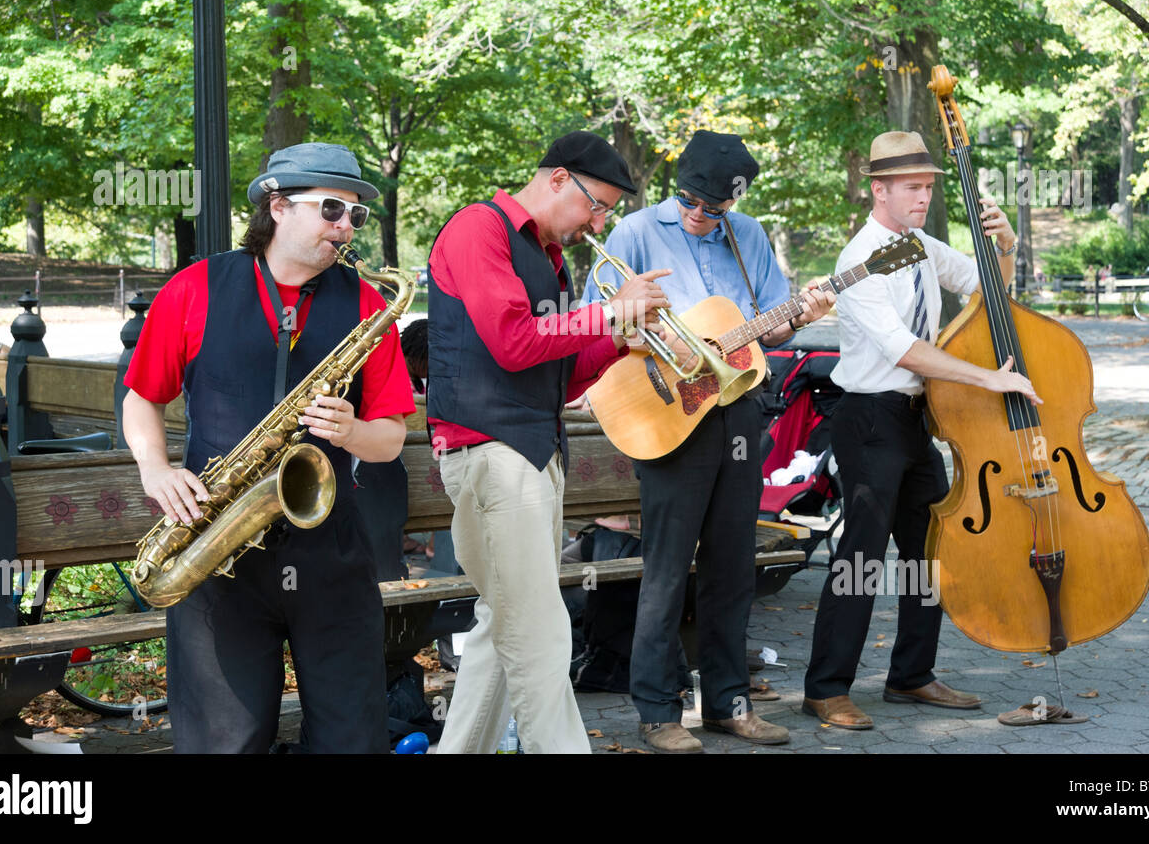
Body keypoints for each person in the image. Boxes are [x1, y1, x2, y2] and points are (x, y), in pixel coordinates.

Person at [122, 142, 416, 753]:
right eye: (332, 209)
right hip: (216, 548)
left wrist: (351, 431)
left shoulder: (369, 304)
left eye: (356, 215)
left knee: (351, 738)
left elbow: (390, 439)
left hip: (331, 555)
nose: (346, 226)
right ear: (277, 206)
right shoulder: (195, 287)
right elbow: (142, 397)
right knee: (224, 741)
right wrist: (155, 468)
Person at [582, 130, 832, 753]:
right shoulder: (635, 232)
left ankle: (728, 703)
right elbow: (597, 319)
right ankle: (658, 711)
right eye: (691, 200)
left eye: (714, 207)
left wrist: (804, 313)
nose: (699, 214)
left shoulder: (748, 237)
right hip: (667, 411)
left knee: (731, 567)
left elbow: (773, 320)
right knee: (665, 571)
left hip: (740, 409)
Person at [427, 130, 669, 754]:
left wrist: (618, 343)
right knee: (539, 632)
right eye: (598, 204)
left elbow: (551, 373)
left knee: (499, 627)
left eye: (609, 211)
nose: (600, 221)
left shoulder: (551, 257)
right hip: (492, 453)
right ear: (558, 179)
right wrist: (612, 313)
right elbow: (511, 339)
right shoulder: (478, 228)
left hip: (531, 451)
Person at [801, 131, 1041, 730]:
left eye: (930, 187)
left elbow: (987, 290)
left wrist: (1005, 248)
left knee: (929, 552)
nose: (924, 197)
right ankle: (825, 688)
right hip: (868, 420)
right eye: (913, 187)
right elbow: (904, 349)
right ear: (878, 189)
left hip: (916, 421)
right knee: (860, 557)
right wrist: (988, 380)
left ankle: (911, 674)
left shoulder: (918, 245)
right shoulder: (858, 261)